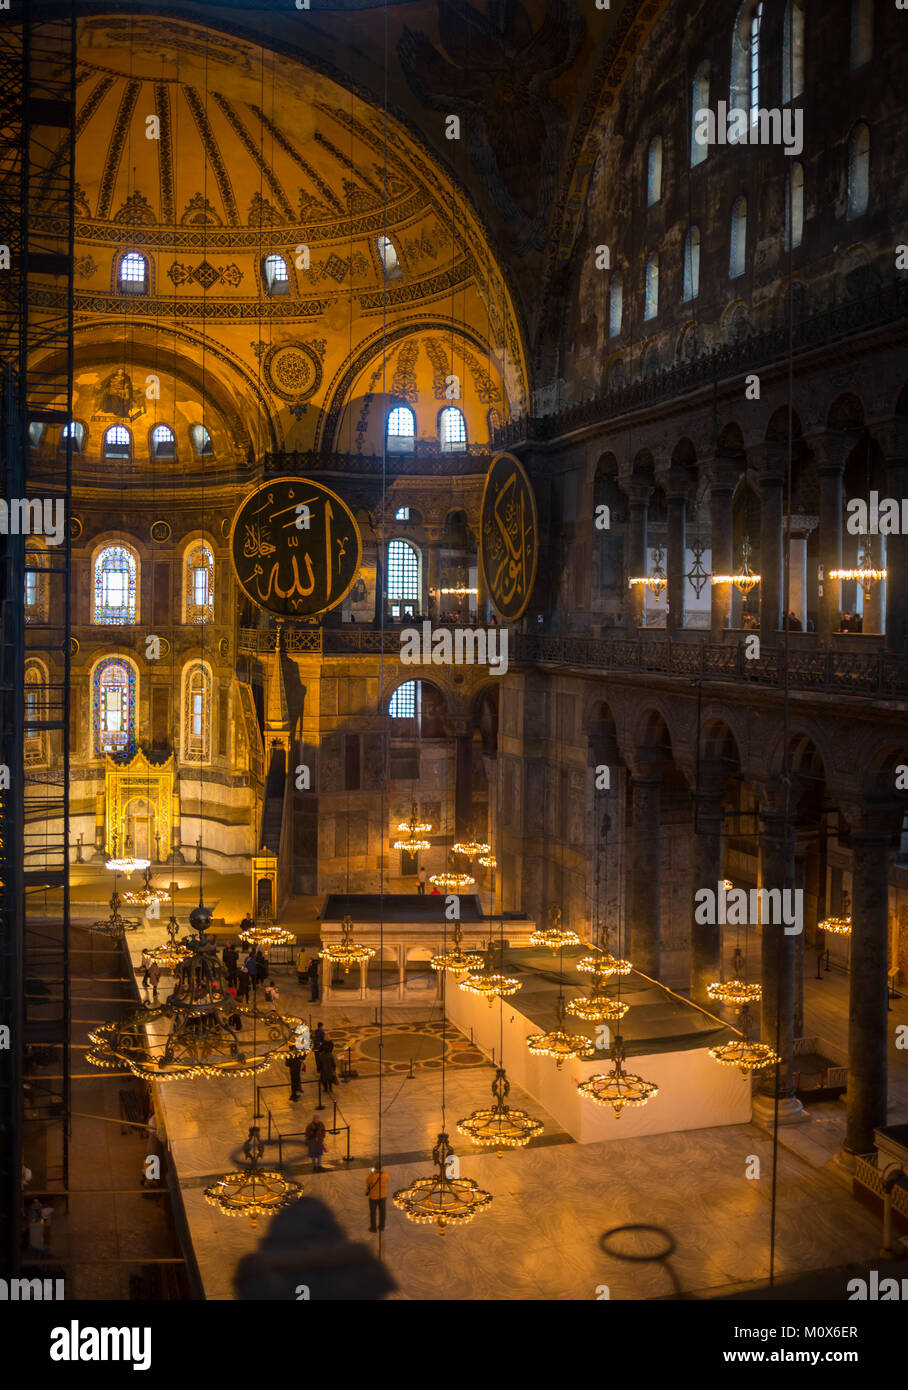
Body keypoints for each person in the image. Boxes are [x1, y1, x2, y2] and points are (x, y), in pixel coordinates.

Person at [366, 1164, 388, 1233]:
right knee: (382, 1212)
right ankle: (382, 1227)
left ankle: (373, 1228)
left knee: (373, 1213)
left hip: (373, 1197)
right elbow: (387, 1181)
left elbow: (367, 1182)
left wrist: (372, 1174)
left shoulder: (372, 1176)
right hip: (382, 1196)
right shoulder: (386, 1175)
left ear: (375, 1168)